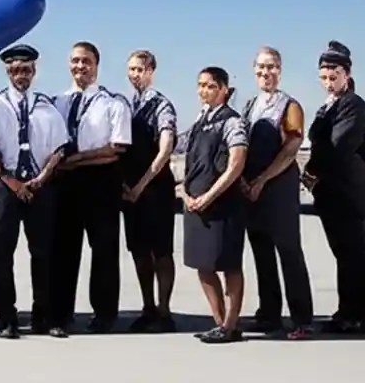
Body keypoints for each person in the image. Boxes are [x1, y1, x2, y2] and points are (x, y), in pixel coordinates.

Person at [0, 44, 67, 338]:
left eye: (25, 70)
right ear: (7, 72)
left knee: (43, 253)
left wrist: (42, 177)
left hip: (40, 186)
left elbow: (59, 148)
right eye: (14, 70)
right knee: (3, 254)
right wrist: (7, 178)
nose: (20, 75)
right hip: (5, 186)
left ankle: (44, 317)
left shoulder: (46, 106)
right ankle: (7, 318)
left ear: (34, 71)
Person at [50, 41, 131, 336]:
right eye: (75, 61)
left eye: (86, 61)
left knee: (104, 250)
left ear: (96, 65)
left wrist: (77, 159)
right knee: (63, 250)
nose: (80, 66)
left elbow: (116, 148)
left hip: (100, 181)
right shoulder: (56, 102)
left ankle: (105, 313)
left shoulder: (113, 102)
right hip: (66, 184)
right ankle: (60, 314)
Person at [304, 41, 365, 334]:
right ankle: (349, 311)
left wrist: (311, 172)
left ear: (346, 74)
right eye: (324, 76)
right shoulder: (330, 105)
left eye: (334, 75)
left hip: (351, 192)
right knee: (346, 254)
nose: (328, 81)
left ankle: (360, 315)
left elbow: (338, 147)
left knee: (356, 254)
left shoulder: (353, 104)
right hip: (334, 194)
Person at [241, 46, 314, 339]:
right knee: (261, 252)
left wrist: (262, 180)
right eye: (260, 67)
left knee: (289, 251)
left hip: (279, 188)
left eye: (271, 67)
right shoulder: (249, 106)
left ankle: (302, 318)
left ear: (279, 70)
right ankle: (268, 313)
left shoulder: (290, 106)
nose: (265, 73)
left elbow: (290, 150)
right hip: (252, 190)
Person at [180, 66, 249, 344]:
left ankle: (231, 323)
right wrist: (186, 194)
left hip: (224, 203)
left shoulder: (232, 122)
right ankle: (219, 323)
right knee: (202, 264)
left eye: (210, 86)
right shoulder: (199, 121)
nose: (203, 91)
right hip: (195, 203)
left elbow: (236, 164)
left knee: (229, 263)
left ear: (223, 89)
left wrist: (209, 196)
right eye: (200, 85)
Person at [121, 50, 179, 333]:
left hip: (155, 189)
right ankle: (148, 307)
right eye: (131, 69)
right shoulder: (127, 105)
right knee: (139, 251)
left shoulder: (161, 105)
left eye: (140, 69)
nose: (135, 74)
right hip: (131, 190)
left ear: (152, 70)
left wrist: (142, 184)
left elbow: (166, 148)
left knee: (162, 251)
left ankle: (164, 310)